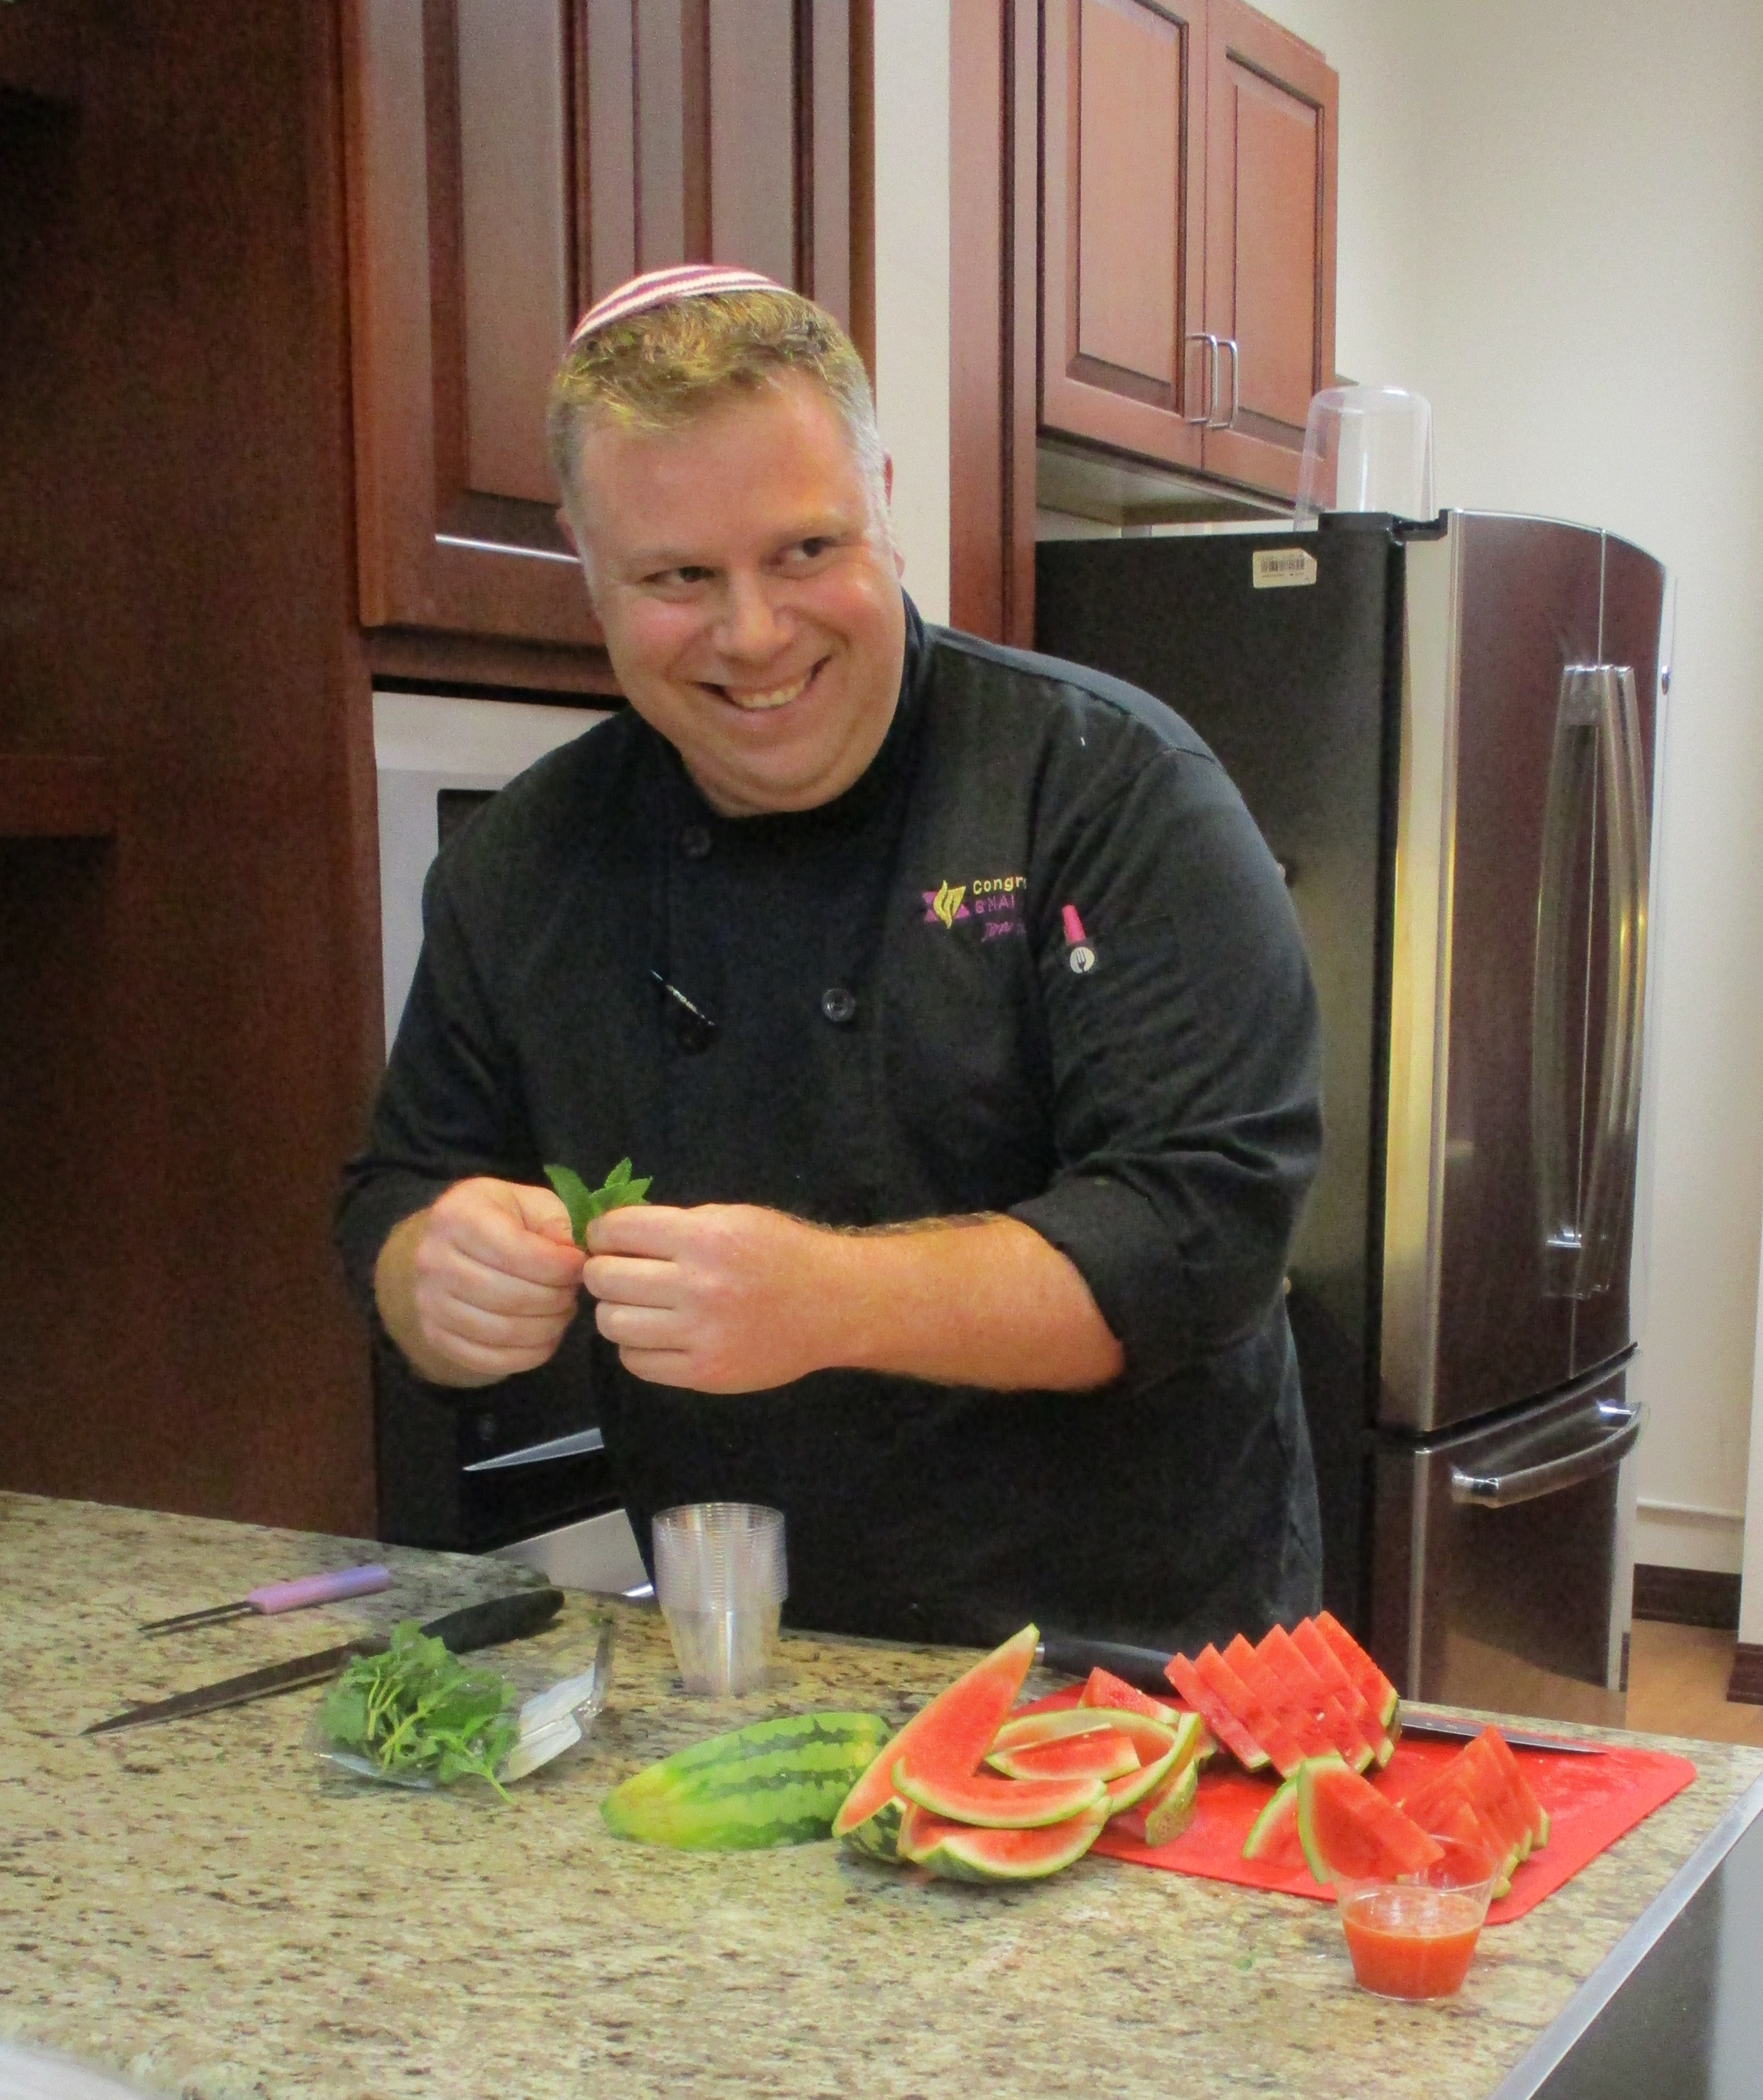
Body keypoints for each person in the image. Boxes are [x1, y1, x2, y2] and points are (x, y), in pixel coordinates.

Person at [335, 262, 1324, 1653]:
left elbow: (1199, 1231)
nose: (752, 633)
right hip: (747, 1672)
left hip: (1135, 1674)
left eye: (805, 552)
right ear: (586, 562)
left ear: (885, 502)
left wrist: (819, 1298)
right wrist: (432, 1276)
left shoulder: (1107, 786)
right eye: (679, 576)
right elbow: (395, 1193)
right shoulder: (524, 864)